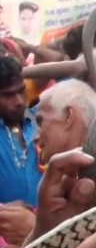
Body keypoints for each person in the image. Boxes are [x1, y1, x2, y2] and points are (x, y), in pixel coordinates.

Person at [0, 56, 42, 206]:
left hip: (50, 226)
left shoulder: (40, 120)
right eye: (8, 95)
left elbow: (80, 68)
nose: (18, 101)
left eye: (21, 91)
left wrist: (24, 71)